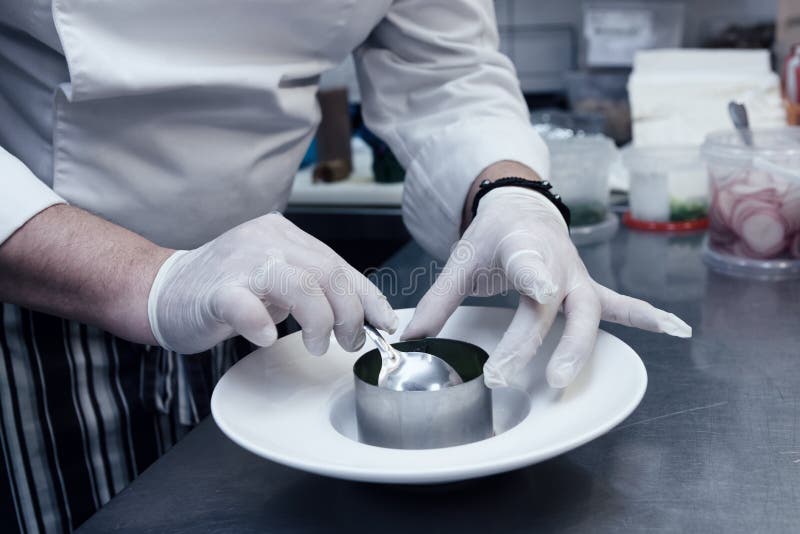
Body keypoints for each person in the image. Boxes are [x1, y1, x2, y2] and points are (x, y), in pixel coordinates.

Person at [0, 1, 691, 531]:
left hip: (268, 302)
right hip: (51, 299)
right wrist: (147, 279)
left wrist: (510, 192)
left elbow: (447, 73)